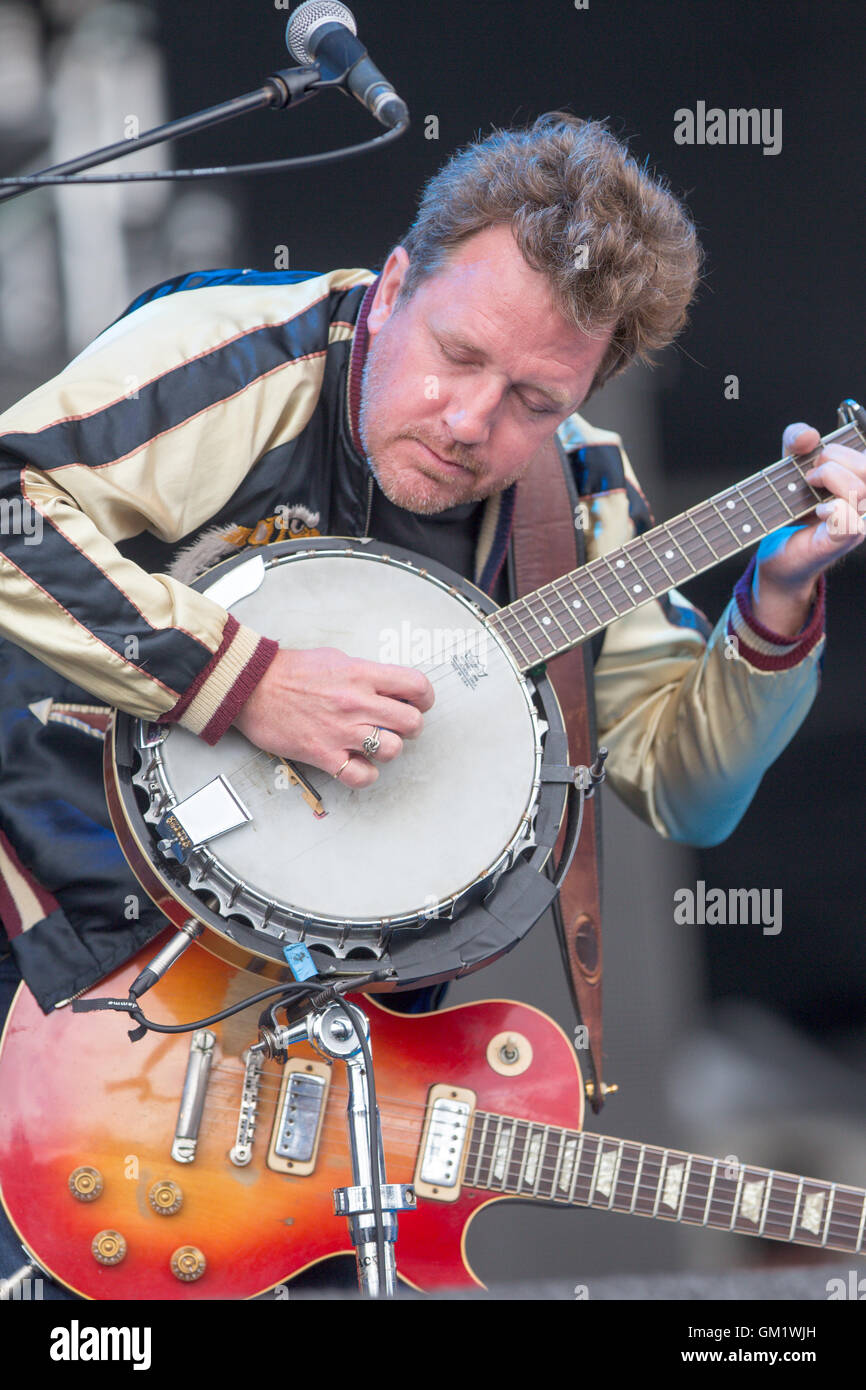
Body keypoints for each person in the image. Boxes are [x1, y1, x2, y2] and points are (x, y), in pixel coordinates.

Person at [0, 113, 861, 1294]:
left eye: (531, 399)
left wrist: (772, 603)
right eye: (455, 355)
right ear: (398, 281)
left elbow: (685, 789)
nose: (469, 423)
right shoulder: (247, 356)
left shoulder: (579, 496)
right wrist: (241, 677)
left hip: (294, 1090)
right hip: (46, 960)